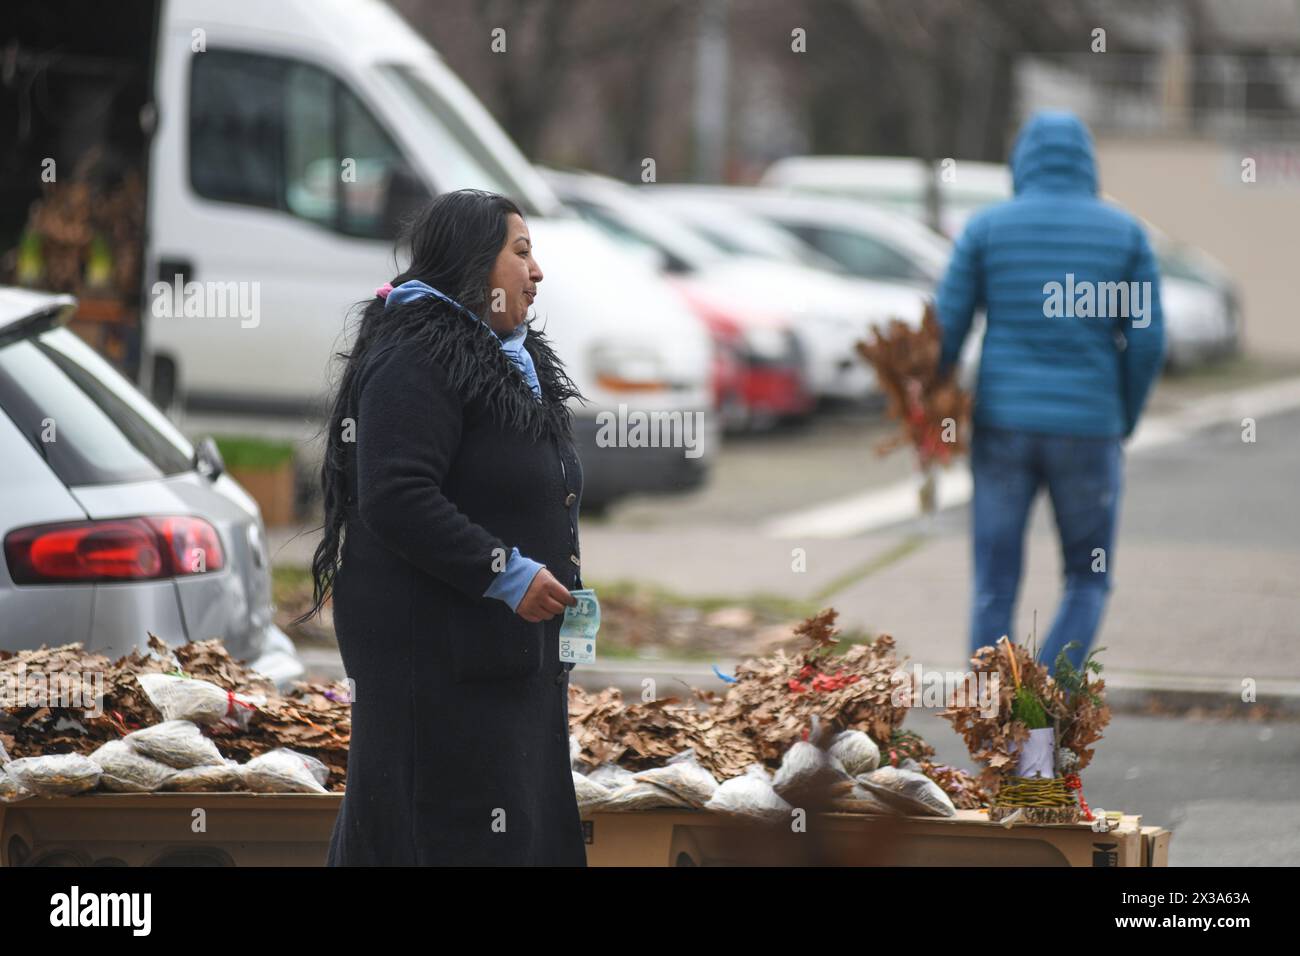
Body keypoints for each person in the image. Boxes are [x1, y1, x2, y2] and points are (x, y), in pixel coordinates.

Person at [299, 188, 588, 865]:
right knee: (439, 831)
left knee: (513, 822)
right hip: (437, 659)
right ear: (473, 263)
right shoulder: (420, 354)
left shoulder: (505, 354)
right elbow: (395, 495)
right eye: (520, 252)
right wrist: (507, 573)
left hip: (501, 655)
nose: (536, 270)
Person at [936, 111, 1166, 675]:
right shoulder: (1127, 234)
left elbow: (943, 332)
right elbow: (1148, 341)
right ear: (1088, 163)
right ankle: (1047, 709)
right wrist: (1123, 417)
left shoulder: (987, 229)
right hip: (1090, 431)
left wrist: (928, 410)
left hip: (1002, 429)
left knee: (994, 580)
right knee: (1087, 578)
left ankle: (994, 722)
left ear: (1022, 162)